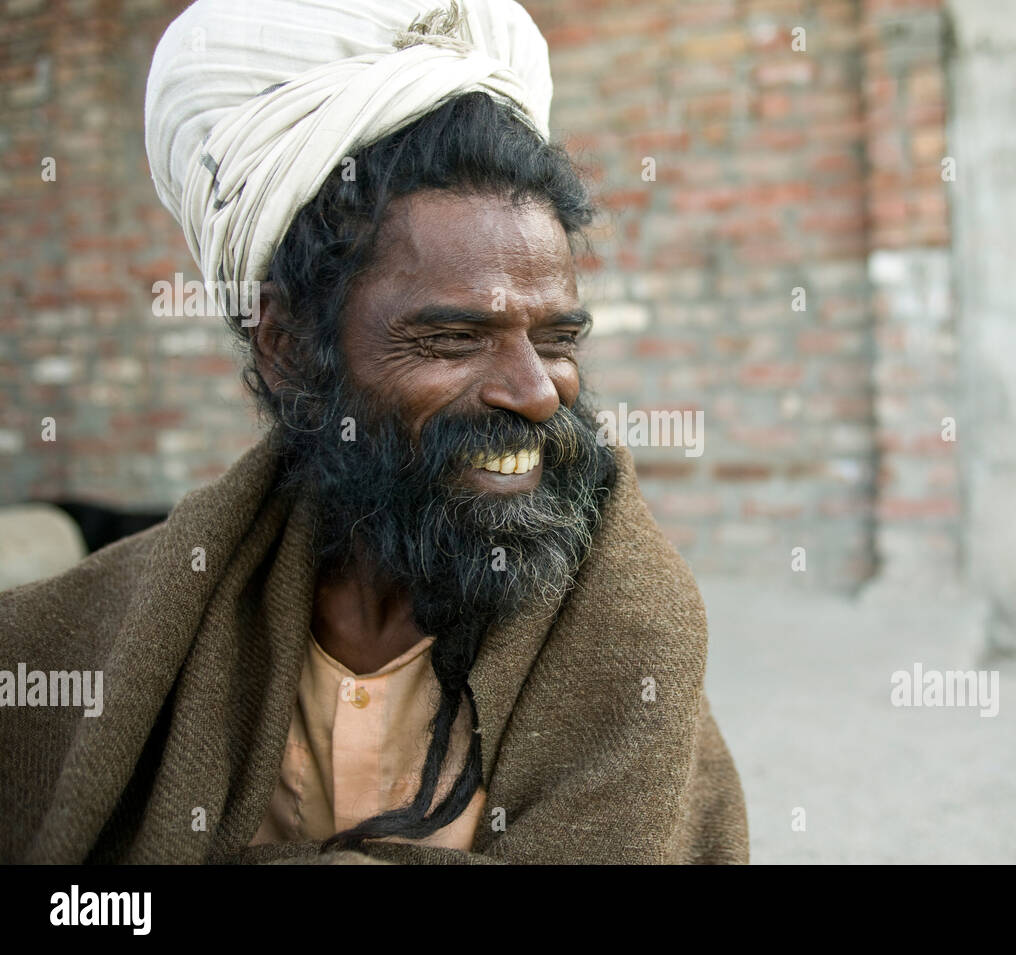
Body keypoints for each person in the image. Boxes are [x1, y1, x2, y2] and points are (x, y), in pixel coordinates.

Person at [0, 0, 748, 865]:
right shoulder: (72, 645)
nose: (538, 393)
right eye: (453, 339)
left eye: (557, 339)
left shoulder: (634, 648)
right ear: (286, 349)